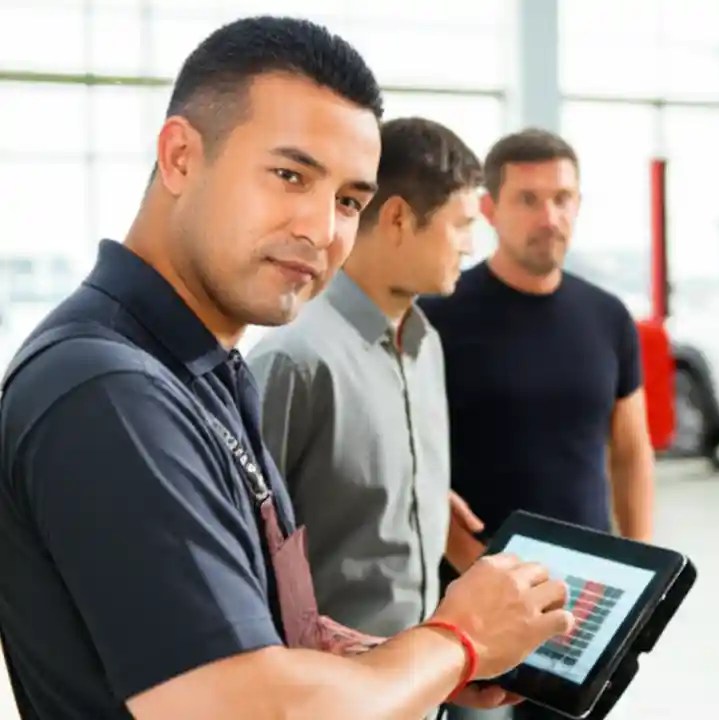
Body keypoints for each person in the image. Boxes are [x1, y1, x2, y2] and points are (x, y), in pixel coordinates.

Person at [0, 17, 570, 720]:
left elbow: (258, 635)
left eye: (348, 201)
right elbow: (249, 709)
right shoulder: (111, 393)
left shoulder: (202, 370)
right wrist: (458, 638)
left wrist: (414, 665)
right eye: (288, 175)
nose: (321, 229)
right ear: (180, 156)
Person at [246, 116, 488, 720]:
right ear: (401, 218)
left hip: (419, 688)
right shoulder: (293, 359)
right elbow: (244, 557)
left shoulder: (424, 344)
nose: (470, 246)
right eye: (462, 225)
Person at [418, 129, 656, 720]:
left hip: (584, 599)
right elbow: (411, 453)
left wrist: (641, 574)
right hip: (475, 597)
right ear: (489, 209)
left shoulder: (608, 317)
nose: (549, 216)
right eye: (528, 199)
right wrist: (467, 560)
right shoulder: (437, 315)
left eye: (562, 198)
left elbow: (630, 451)